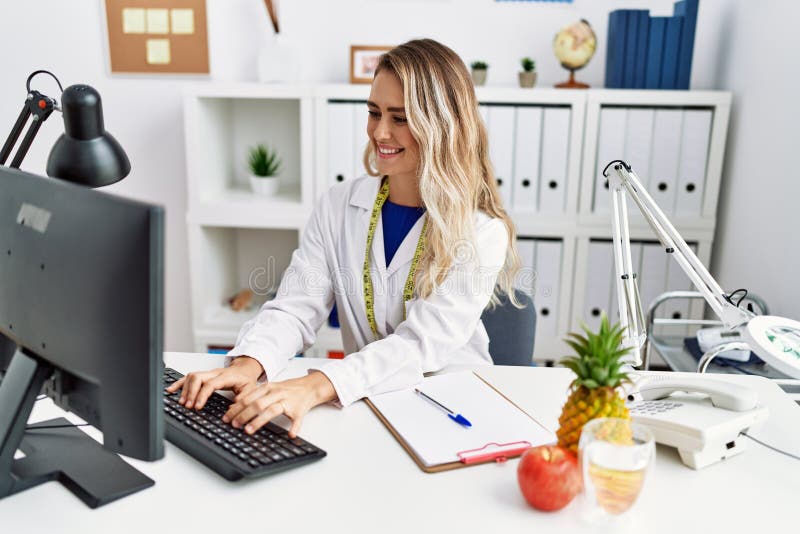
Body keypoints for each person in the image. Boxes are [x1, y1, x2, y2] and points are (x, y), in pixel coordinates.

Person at [167, 38, 521, 438]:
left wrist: (315, 385)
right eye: (373, 112)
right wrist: (249, 364)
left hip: (449, 409)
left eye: (400, 118)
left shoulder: (480, 231)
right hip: (363, 402)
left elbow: (419, 345)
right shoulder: (339, 205)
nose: (380, 132)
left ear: (442, 126)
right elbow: (296, 306)